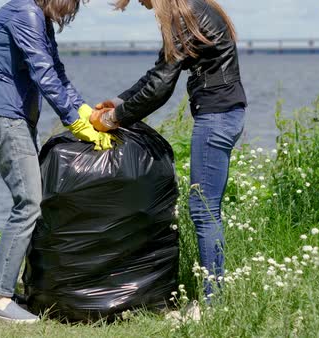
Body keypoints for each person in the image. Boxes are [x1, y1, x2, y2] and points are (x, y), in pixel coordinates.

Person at [91, 0, 246, 302]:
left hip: (216, 117)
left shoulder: (184, 15)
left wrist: (113, 119)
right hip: (224, 112)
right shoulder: (192, 10)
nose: (139, 1)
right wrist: (118, 101)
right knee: (207, 208)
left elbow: (161, 87)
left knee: (203, 210)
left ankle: (213, 302)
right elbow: (159, 71)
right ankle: (215, 296)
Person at [0, 0, 112, 323]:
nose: (72, 10)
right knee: (28, 204)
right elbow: (43, 73)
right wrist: (73, 121)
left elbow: (57, 72)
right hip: (4, 119)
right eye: (73, 2)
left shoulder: (38, 17)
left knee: (31, 202)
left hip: (17, 119)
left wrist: (87, 112)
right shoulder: (26, 13)